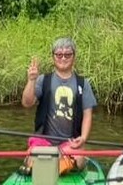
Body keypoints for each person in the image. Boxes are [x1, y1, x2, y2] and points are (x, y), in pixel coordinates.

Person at [21, 36, 95, 173]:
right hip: (44, 140)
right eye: (59, 55)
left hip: (70, 142)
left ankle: (58, 165)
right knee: (32, 160)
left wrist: (83, 138)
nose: (63, 58)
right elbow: (27, 103)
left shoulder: (83, 83)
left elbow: (87, 114)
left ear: (74, 57)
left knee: (79, 161)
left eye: (68, 55)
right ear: (53, 57)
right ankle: (51, 165)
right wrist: (31, 80)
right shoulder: (43, 80)